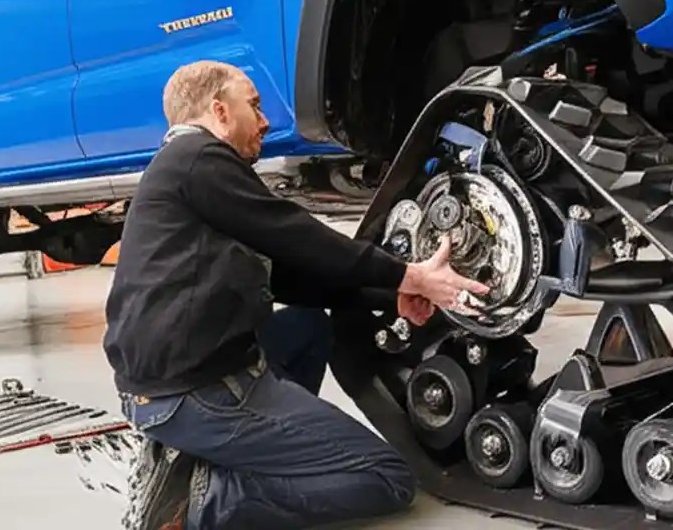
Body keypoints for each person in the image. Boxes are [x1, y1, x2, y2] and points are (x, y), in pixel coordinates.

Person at [102, 60, 491, 530]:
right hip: (194, 391)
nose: (265, 120)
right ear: (220, 111)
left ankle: (228, 451)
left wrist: (391, 297)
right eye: (255, 105)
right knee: (385, 478)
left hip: (170, 383)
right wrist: (409, 275)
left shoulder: (187, 171)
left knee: (306, 325)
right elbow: (300, 237)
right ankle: (206, 499)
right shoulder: (200, 159)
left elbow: (290, 274)